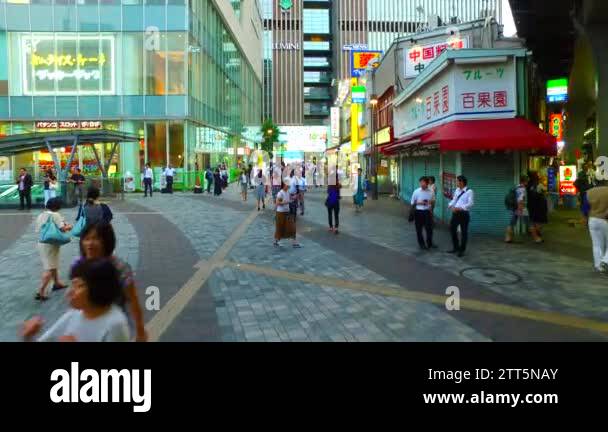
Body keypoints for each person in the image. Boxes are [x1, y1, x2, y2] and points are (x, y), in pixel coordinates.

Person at [21, 259, 130, 342]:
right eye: (72, 284)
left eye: (79, 285)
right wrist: (28, 336)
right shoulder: (75, 314)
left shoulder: (115, 324)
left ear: (98, 288)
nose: (69, 292)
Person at [71, 223, 147, 341]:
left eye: (96, 238)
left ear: (106, 241)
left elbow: (133, 300)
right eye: (86, 239)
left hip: (111, 325)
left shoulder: (120, 268)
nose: (90, 244)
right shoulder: (78, 265)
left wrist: (140, 331)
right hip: (86, 323)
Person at [35, 198, 72, 301]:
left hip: (42, 243)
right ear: (57, 206)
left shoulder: (41, 215)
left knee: (53, 264)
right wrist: (70, 226)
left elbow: (38, 229)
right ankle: (40, 291)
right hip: (50, 244)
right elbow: (62, 228)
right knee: (49, 268)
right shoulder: (55, 215)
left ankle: (56, 283)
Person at [506, 175, 541, 243]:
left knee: (511, 223)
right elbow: (520, 200)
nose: (528, 182)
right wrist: (520, 209)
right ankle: (536, 238)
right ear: (525, 181)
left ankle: (508, 238)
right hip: (522, 209)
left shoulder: (516, 187)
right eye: (527, 181)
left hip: (515, 208)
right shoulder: (522, 189)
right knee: (529, 223)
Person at [448, 176, 475, 257]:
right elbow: (454, 200)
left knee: (464, 232)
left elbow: (471, 203)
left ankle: (462, 250)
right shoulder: (457, 190)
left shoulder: (469, 191)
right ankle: (455, 247)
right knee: (452, 229)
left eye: (457, 181)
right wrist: (450, 205)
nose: (456, 183)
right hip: (455, 213)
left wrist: (460, 208)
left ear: (462, 182)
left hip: (464, 214)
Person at [586, 179, 608, 274]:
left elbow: (585, 208)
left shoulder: (589, 192)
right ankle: (605, 261)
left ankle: (598, 266)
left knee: (597, 244)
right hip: (604, 220)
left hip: (592, 219)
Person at [411, 176, 435, 250]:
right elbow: (412, 202)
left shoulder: (431, 191)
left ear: (427, 183)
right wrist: (419, 202)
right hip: (418, 212)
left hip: (427, 212)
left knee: (429, 229)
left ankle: (429, 243)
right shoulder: (416, 191)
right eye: (420, 182)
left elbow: (433, 201)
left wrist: (430, 203)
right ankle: (421, 244)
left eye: (423, 182)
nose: (421, 184)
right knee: (419, 229)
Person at [274, 182, 301, 248]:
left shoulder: (287, 192)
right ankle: (277, 241)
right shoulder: (280, 193)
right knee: (280, 228)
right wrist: (287, 202)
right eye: (287, 185)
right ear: (284, 185)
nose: (288, 186)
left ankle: (294, 243)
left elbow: (291, 198)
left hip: (287, 212)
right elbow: (277, 203)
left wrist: (296, 196)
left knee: (292, 227)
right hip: (280, 213)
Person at [526, 171, 548, 242]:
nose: (539, 175)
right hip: (539, 206)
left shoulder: (528, 184)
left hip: (531, 205)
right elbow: (545, 190)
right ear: (535, 176)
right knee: (538, 222)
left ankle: (537, 236)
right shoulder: (538, 184)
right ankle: (537, 237)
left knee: (534, 221)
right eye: (537, 174)